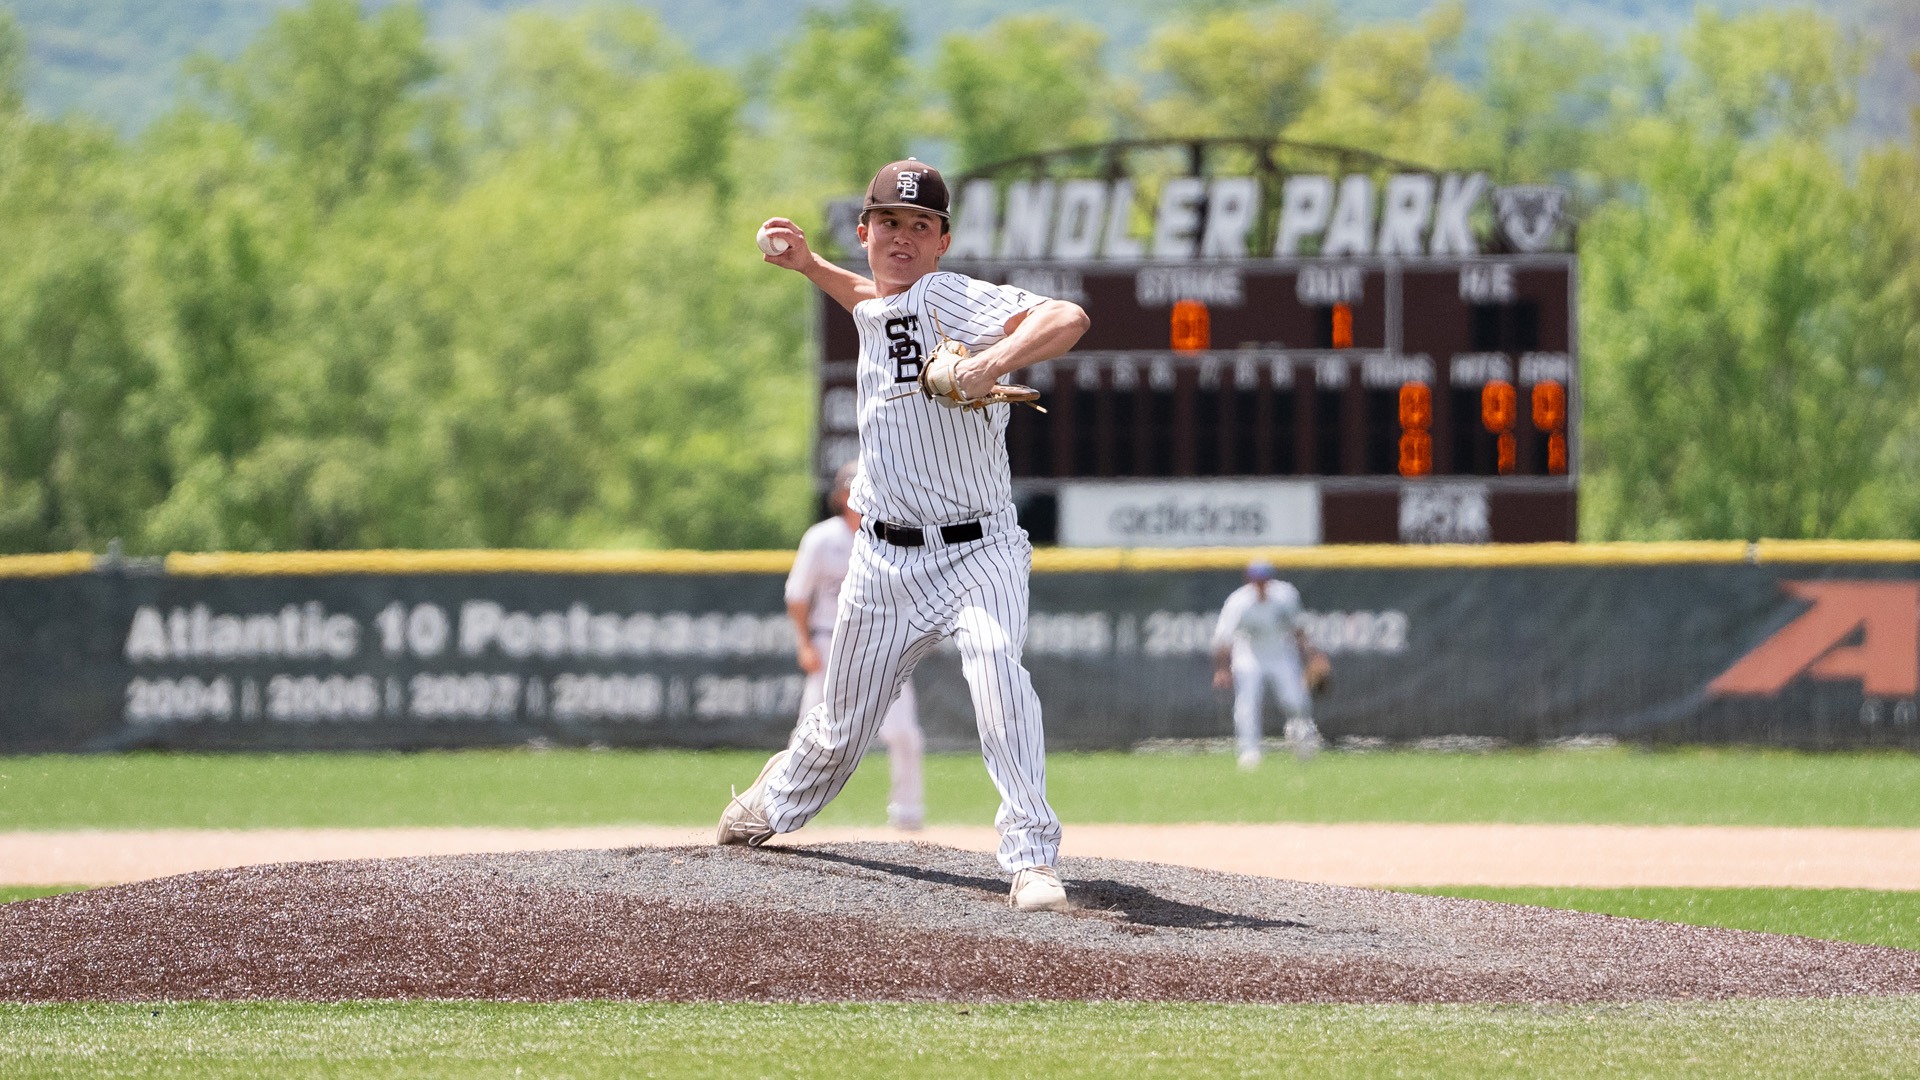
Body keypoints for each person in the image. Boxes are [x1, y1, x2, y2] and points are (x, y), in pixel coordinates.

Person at [718, 159, 1090, 914]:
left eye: (920, 225)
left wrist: (990, 361)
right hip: (884, 561)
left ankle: (1033, 857)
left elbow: (1068, 318)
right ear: (865, 231)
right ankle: (774, 799)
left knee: (994, 669)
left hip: (977, 550)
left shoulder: (950, 294)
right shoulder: (880, 305)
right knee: (838, 734)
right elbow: (867, 299)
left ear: (942, 241)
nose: (902, 236)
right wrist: (808, 264)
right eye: (889, 221)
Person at [785, 460, 924, 831]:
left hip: (881, 646)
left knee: (903, 732)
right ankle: (782, 807)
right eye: (852, 488)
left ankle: (907, 814)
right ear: (842, 495)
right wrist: (804, 643)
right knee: (807, 731)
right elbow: (797, 597)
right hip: (829, 640)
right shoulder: (821, 538)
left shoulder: (892, 535)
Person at [1212, 558, 1326, 768]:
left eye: (1264, 579)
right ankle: (1249, 752)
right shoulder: (1238, 602)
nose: (1261, 584)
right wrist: (1221, 669)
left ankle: (1304, 745)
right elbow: (1223, 639)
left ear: (1270, 579)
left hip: (1281, 653)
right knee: (1247, 704)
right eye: (1257, 579)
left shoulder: (1285, 595)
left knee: (1296, 701)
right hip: (1249, 655)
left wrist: (1313, 655)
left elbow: (1298, 629)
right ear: (1249, 580)